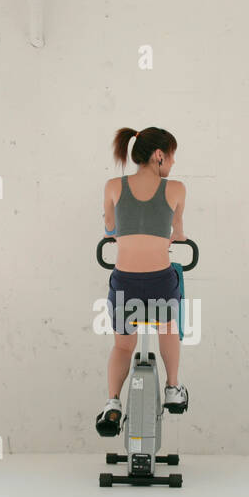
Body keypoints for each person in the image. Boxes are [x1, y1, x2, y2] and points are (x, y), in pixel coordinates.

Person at [96, 127, 189, 436]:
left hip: (125, 281)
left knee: (123, 345)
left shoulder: (112, 186)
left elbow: (110, 229)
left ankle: (112, 402)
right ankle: (173, 387)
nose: (173, 164)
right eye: (172, 156)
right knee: (168, 329)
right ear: (159, 155)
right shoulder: (176, 189)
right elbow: (178, 234)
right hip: (160, 280)